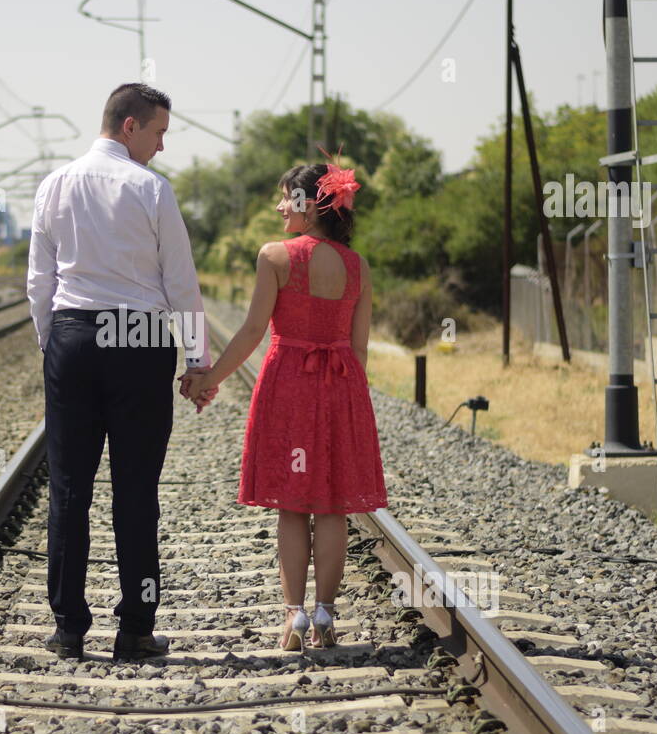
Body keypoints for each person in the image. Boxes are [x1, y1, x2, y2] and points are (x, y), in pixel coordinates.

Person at [27, 82, 215, 662]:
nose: (161, 146)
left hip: (74, 336)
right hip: (138, 338)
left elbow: (39, 282)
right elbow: (180, 281)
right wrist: (197, 361)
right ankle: (135, 629)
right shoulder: (152, 189)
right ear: (129, 125)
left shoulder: (54, 184)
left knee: (68, 488)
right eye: (158, 132)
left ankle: (68, 630)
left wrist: (56, 344)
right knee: (136, 490)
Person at [182, 154, 388, 651]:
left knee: (293, 506)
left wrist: (210, 378)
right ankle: (325, 613)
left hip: (289, 387)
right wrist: (349, 407)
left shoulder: (274, 257)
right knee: (333, 506)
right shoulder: (358, 267)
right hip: (341, 388)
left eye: (286, 199)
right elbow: (359, 349)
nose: (280, 207)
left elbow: (253, 330)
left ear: (308, 205)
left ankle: (294, 615)